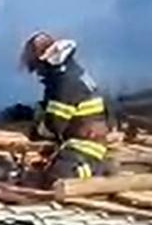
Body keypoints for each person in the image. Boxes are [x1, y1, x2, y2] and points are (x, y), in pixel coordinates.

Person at [16, 32, 113, 182]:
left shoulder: (64, 83)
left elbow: (53, 127)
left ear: (45, 61)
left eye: (38, 68)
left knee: (53, 177)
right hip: (89, 144)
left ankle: (96, 170)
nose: (39, 74)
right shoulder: (73, 71)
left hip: (83, 148)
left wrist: (33, 129)